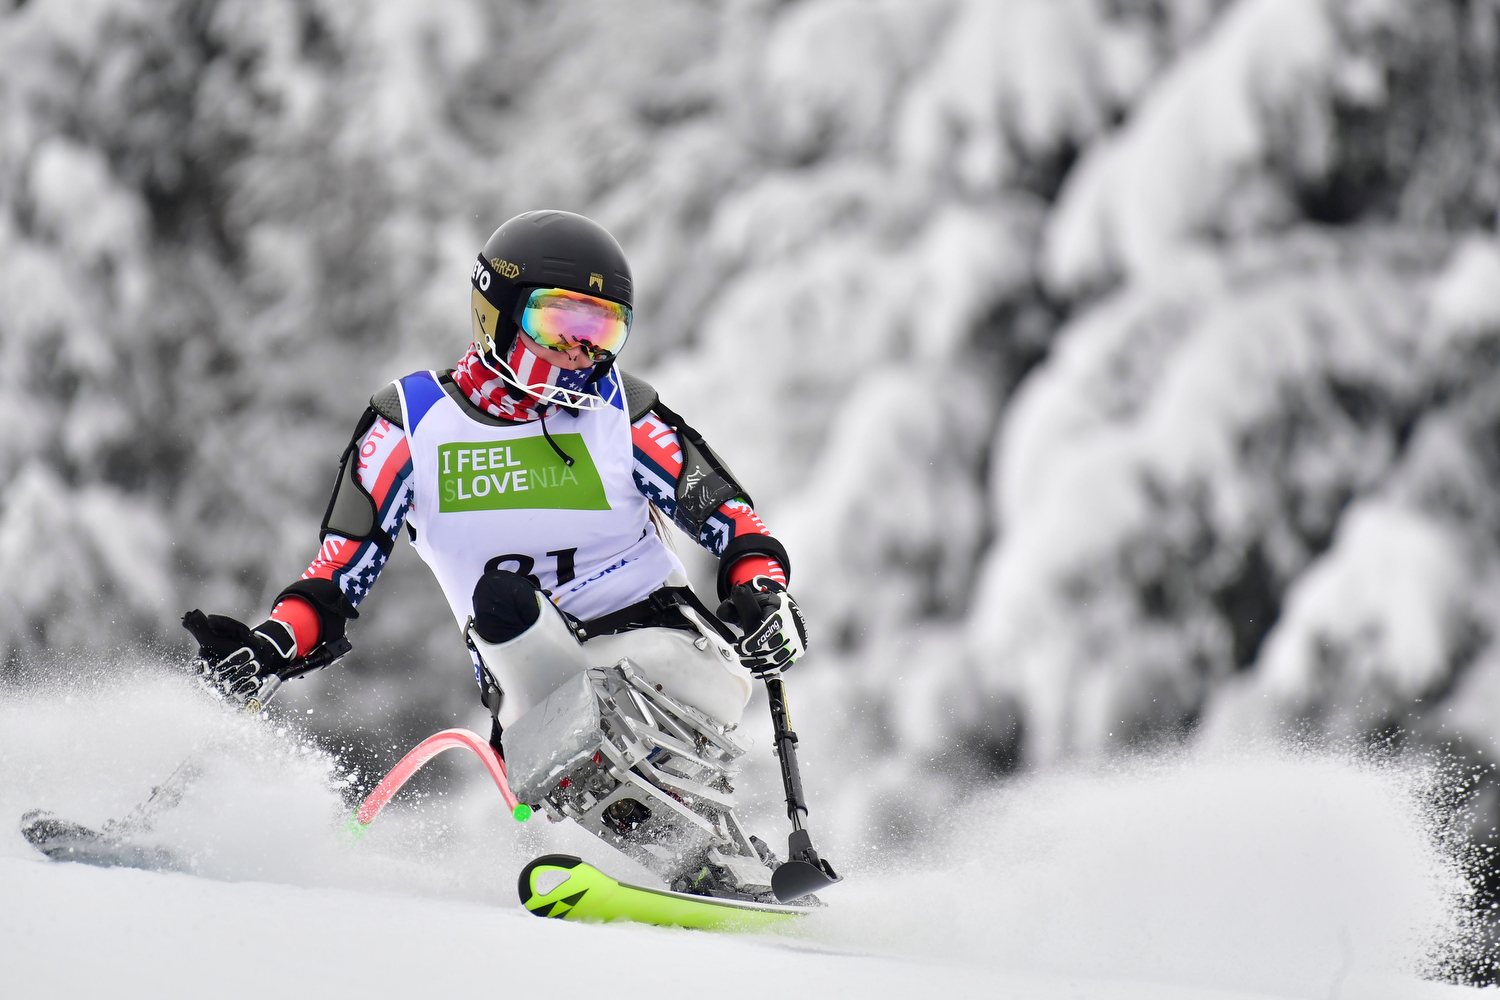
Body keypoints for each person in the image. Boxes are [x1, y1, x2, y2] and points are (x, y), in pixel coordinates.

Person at [182, 210, 809, 897]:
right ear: (496, 318)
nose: (579, 354)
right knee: (509, 615)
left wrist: (764, 594)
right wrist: (273, 641)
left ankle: (705, 853)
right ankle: (695, 857)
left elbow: (732, 521)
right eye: (558, 326)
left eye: (601, 332)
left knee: (586, 675)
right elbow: (338, 573)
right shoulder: (410, 423)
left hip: (671, 653)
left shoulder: (623, 412)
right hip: (531, 683)